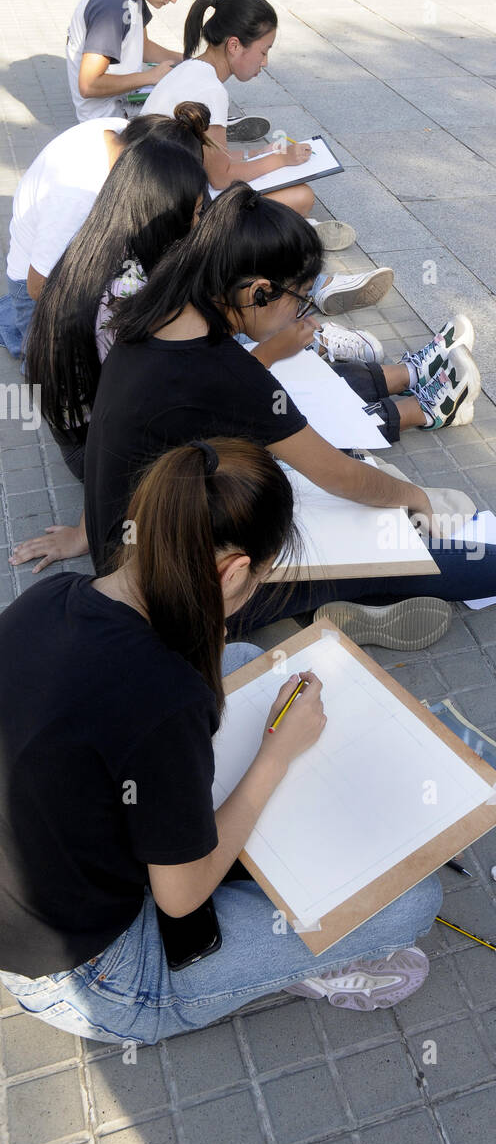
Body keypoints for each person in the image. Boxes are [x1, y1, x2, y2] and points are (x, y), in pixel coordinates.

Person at [11, 185, 496, 639]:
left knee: (305, 481)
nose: (304, 316)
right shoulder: (224, 370)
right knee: (376, 548)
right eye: (299, 300)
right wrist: (415, 495)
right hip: (171, 601)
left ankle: (343, 605)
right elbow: (343, 479)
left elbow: (148, 432)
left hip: (126, 553)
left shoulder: (154, 313)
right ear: (257, 292)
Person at [0, 438, 442, 1044]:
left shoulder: (55, 594)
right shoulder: (164, 698)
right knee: (415, 903)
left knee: (239, 658)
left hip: (33, 885)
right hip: (97, 976)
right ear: (234, 570)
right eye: (262, 576)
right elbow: (180, 900)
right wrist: (276, 756)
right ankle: (283, 968)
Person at [141, 0, 381, 307]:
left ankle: (298, 239)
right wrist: (279, 159)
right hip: (180, 228)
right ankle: (312, 277)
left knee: (291, 198)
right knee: (300, 196)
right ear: (235, 45)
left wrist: (265, 155)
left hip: (158, 207)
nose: (265, 62)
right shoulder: (211, 90)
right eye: (264, 51)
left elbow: (215, 160)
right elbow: (221, 179)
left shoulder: (188, 70)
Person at [24, 123, 210, 480]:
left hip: (85, 428)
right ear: (167, 217)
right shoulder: (128, 290)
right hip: (99, 454)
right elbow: (143, 400)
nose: (202, 223)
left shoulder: (101, 238)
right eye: (198, 213)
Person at [0, 104, 210, 361]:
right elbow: (39, 287)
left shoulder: (125, 135)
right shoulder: (76, 195)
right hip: (38, 292)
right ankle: (18, 327)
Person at [66, 0, 198, 124]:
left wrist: (187, 61)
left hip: (120, 104)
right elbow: (88, 85)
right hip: (105, 122)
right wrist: (150, 77)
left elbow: (143, 46)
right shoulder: (111, 6)